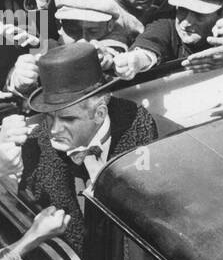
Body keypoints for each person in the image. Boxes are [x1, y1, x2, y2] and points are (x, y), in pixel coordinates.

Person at [19, 41, 157, 248]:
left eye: (68, 119)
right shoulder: (34, 149)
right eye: (49, 117)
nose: (54, 130)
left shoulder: (143, 131)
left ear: (99, 113)